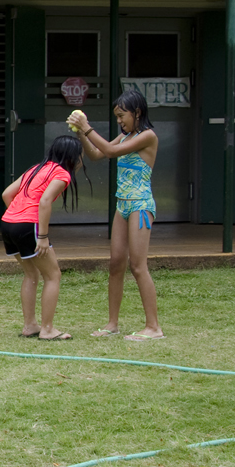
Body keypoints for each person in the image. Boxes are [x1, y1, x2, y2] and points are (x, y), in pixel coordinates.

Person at [70, 91, 164, 341]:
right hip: (122, 206)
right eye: (117, 117)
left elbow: (110, 151)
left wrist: (87, 127)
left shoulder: (148, 136)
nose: (120, 122)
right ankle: (112, 324)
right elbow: (97, 154)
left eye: (122, 116)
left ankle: (153, 327)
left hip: (140, 206)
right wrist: (80, 132)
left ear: (137, 113)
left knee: (138, 265)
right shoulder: (125, 136)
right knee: (116, 264)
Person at [0, 134, 82, 342]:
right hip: (28, 225)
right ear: (73, 157)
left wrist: (18, 219)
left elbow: (7, 194)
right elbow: (45, 201)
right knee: (53, 275)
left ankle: (30, 326)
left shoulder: (36, 169)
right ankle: (47, 330)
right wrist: (42, 236)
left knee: (31, 274)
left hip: (8, 224)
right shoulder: (62, 174)